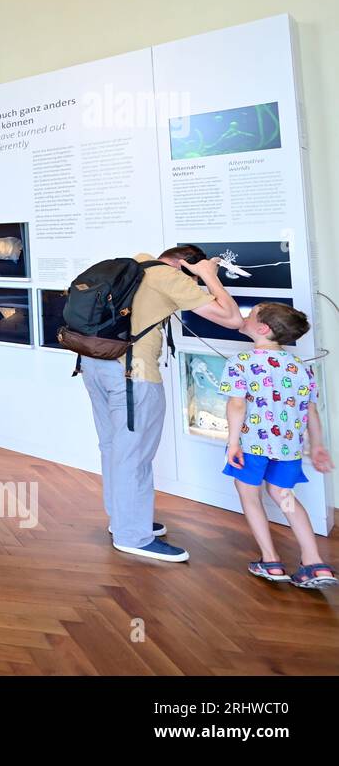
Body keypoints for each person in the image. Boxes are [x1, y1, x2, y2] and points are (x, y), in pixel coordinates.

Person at [80, 245, 242, 563]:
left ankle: (124, 520)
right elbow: (233, 318)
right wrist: (209, 275)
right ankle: (133, 536)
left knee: (114, 447)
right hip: (133, 373)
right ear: (185, 265)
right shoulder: (170, 277)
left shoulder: (133, 263)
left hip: (94, 363)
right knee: (135, 455)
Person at [221, 303, 336, 588]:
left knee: (250, 496)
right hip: (288, 448)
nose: (243, 317)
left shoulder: (241, 362)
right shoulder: (300, 367)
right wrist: (318, 446)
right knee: (284, 496)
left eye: (250, 314)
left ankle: (271, 561)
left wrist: (233, 443)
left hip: (251, 447)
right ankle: (314, 563)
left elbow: (237, 405)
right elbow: (311, 411)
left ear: (262, 329)